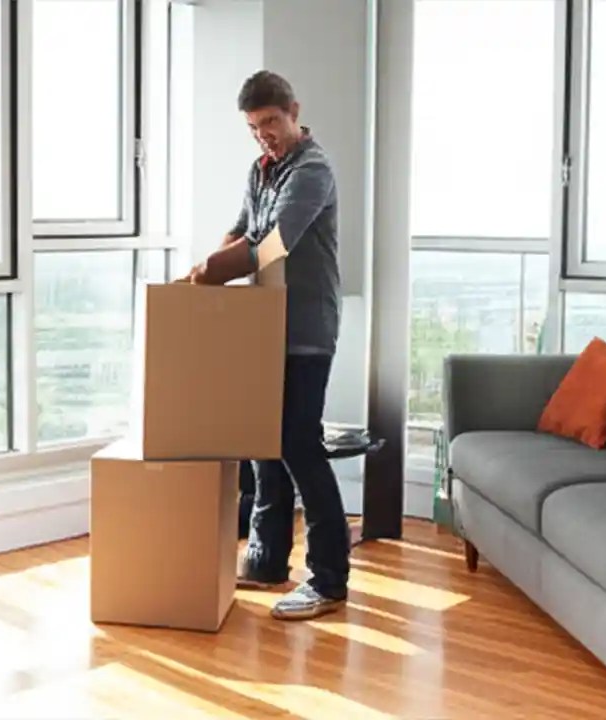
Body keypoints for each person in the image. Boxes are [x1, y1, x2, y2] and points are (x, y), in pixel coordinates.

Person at [182, 70, 348, 620]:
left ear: (294, 112)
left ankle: (328, 579)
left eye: (271, 123)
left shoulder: (313, 171)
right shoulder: (261, 172)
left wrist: (210, 270)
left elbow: (271, 244)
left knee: (298, 444)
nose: (264, 135)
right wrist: (197, 271)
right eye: (255, 128)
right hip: (263, 330)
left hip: (306, 332)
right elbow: (240, 231)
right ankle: (268, 561)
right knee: (262, 445)